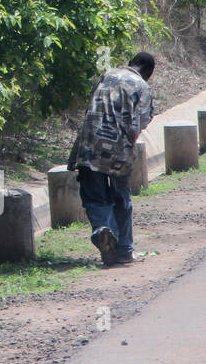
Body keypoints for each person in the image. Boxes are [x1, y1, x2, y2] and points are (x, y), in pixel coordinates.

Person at [67, 52, 156, 267]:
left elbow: (91, 108)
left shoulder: (106, 75)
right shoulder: (143, 88)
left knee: (95, 197)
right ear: (148, 74)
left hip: (90, 145)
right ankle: (124, 250)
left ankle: (103, 231)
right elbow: (142, 120)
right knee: (121, 198)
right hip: (119, 150)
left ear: (130, 63)